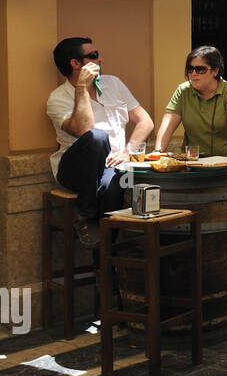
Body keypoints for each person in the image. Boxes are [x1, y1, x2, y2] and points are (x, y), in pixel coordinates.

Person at [46, 37, 153, 248]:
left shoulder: (113, 83)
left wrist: (127, 151)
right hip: (74, 169)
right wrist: (82, 88)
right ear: (75, 64)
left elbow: (146, 122)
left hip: (112, 165)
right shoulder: (57, 99)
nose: (100, 58)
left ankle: (103, 261)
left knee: (111, 189)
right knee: (97, 136)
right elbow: (83, 130)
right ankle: (86, 214)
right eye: (93, 56)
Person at [154, 46, 227, 157]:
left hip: (226, 163)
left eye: (200, 69)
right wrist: (157, 152)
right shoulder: (183, 91)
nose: (193, 73)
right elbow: (167, 125)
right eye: (190, 69)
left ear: (215, 71)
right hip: (193, 163)